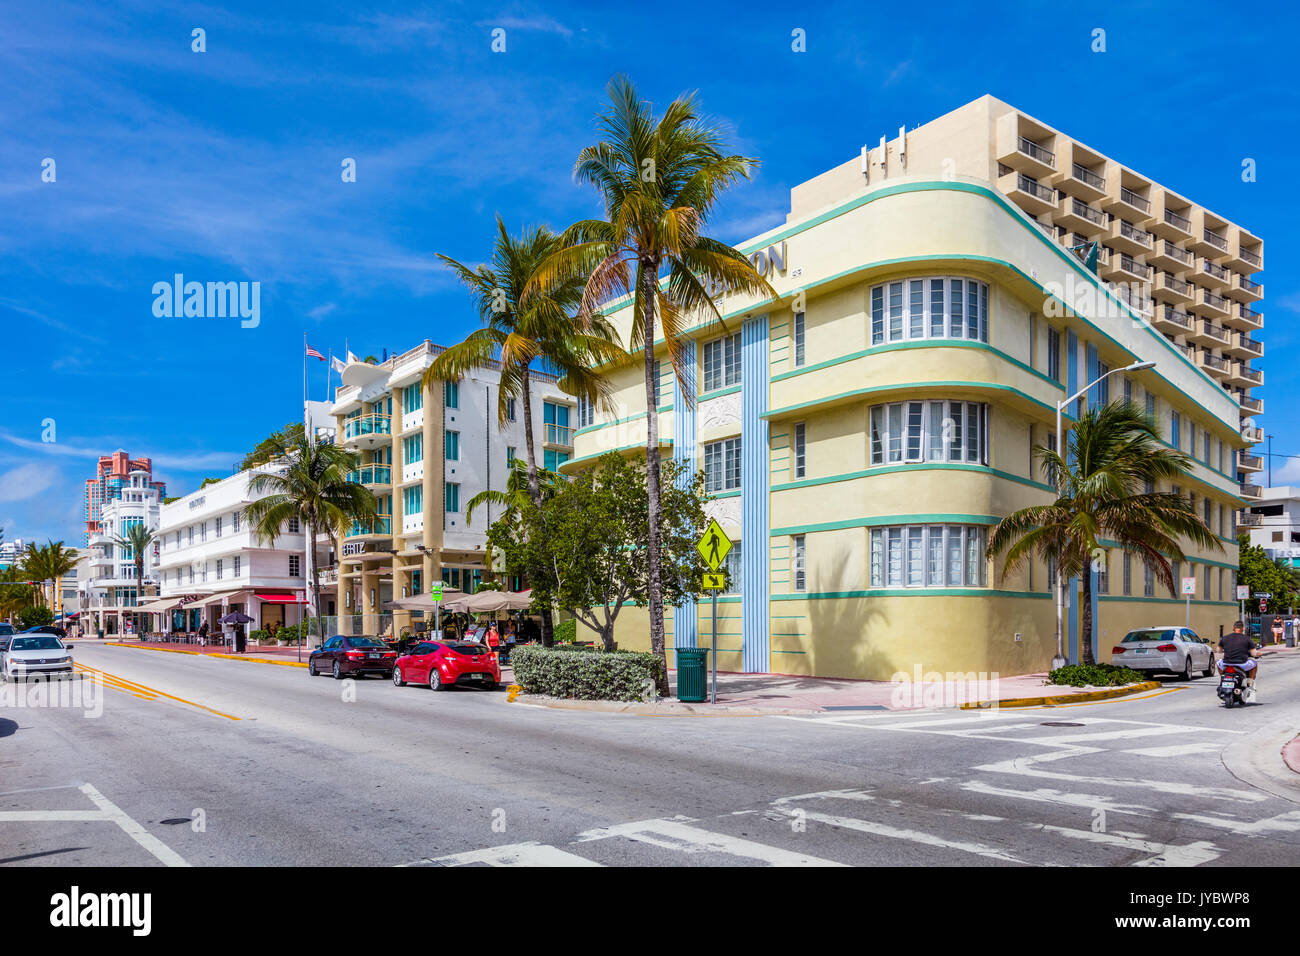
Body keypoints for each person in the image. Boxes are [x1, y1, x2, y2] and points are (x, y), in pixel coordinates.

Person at [1218, 621, 1261, 698]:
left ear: (1233, 628)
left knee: (1218, 663)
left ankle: (1223, 676)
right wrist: (1259, 654)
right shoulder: (1247, 639)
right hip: (1241, 664)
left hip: (1227, 663)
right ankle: (1249, 683)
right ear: (1243, 629)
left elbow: (1218, 650)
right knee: (1254, 664)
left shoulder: (1225, 638)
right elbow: (1254, 653)